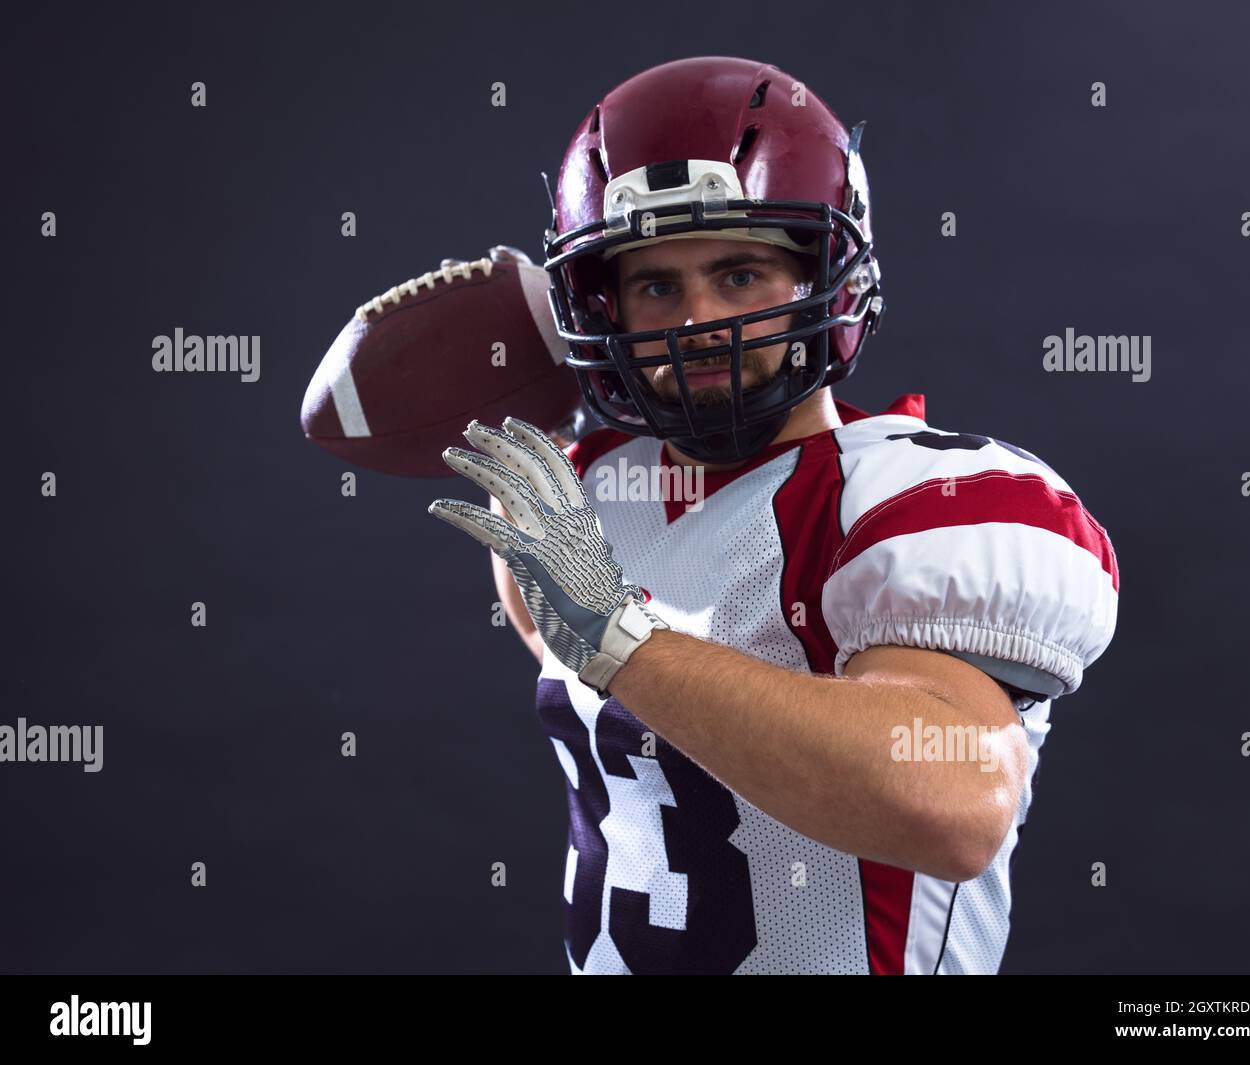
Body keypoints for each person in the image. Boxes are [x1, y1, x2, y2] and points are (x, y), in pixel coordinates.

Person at [429, 56, 1119, 975]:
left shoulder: (913, 502)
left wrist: (623, 638)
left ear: (824, 279)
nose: (700, 322)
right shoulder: (583, 488)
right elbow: (583, 660)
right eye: (658, 287)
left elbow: (955, 808)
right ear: (603, 306)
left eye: (741, 273)